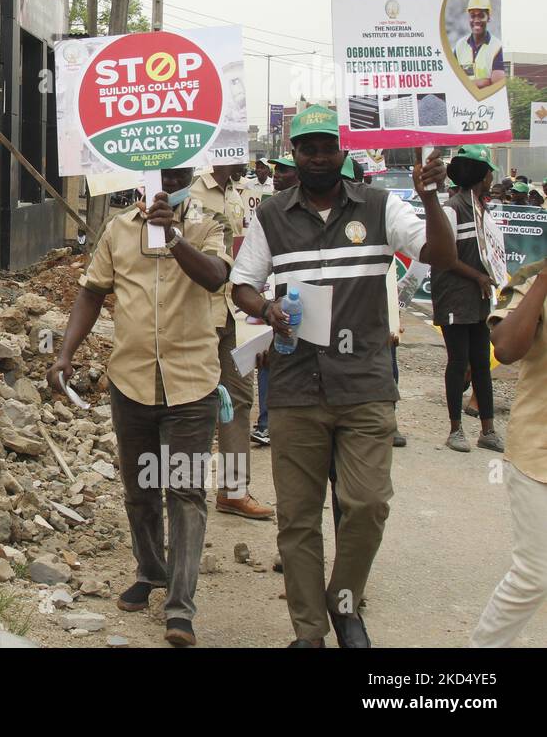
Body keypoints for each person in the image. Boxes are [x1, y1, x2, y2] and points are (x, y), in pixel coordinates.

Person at [230, 104, 456, 648]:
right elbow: (241, 284)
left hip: (364, 386)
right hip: (294, 387)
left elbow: (441, 255)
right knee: (299, 521)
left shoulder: (381, 208)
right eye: (307, 146)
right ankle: (310, 633)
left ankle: (345, 601)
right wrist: (266, 310)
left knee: (368, 504)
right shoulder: (269, 215)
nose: (318, 155)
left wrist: (428, 196)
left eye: (327, 144)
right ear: (296, 153)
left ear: (343, 150)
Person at [47, 168, 231, 647]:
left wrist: (172, 236)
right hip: (130, 381)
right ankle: (151, 571)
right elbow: (91, 291)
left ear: (192, 172)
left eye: (179, 170)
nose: (170, 177)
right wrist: (65, 354)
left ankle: (180, 606)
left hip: (192, 385)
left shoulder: (209, 223)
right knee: (139, 489)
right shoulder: (118, 228)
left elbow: (215, 278)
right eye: (161, 169)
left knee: (185, 492)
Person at [191, 163, 274, 519]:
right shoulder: (191, 190)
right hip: (198, 316)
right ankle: (180, 488)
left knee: (239, 399)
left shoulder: (236, 194)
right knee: (191, 401)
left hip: (236, 317)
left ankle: (233, 490)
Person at [470, 271, 547, 645]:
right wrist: (544, 281)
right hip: (539, 454)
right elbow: (505, 348)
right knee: (534, 575)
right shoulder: (533, 280)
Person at [431, 146, 503, 454]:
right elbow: (443, 256)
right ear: (479, 174)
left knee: (481, 363)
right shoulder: (453, 207)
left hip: (478, 297)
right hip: (455, 295)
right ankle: (455, 429)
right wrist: (476, 276)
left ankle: (488, 429)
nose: (491, 178)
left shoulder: (480, 208)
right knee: (458, 362)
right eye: (488, 172)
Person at [253, 155, 300, 447]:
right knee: (267, 358)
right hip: (272, 299)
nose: (277, 174)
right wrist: (264, 306)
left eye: (284, 170)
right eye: (276, 170)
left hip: (304, 306)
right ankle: (267, 423)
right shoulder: (269, 210)